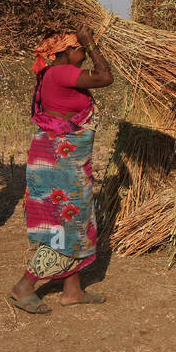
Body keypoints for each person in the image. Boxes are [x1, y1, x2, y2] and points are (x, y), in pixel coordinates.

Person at [8, 26, 113, 314]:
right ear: (66, 53)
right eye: (79, 48)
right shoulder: (61, 72)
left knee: (75, 223)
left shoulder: (51, 74)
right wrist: (92, 43)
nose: (83, 53)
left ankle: (72, 290)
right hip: (60, 163)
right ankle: (25, 286)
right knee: (66, 225)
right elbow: (105, 76)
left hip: (60, 159)